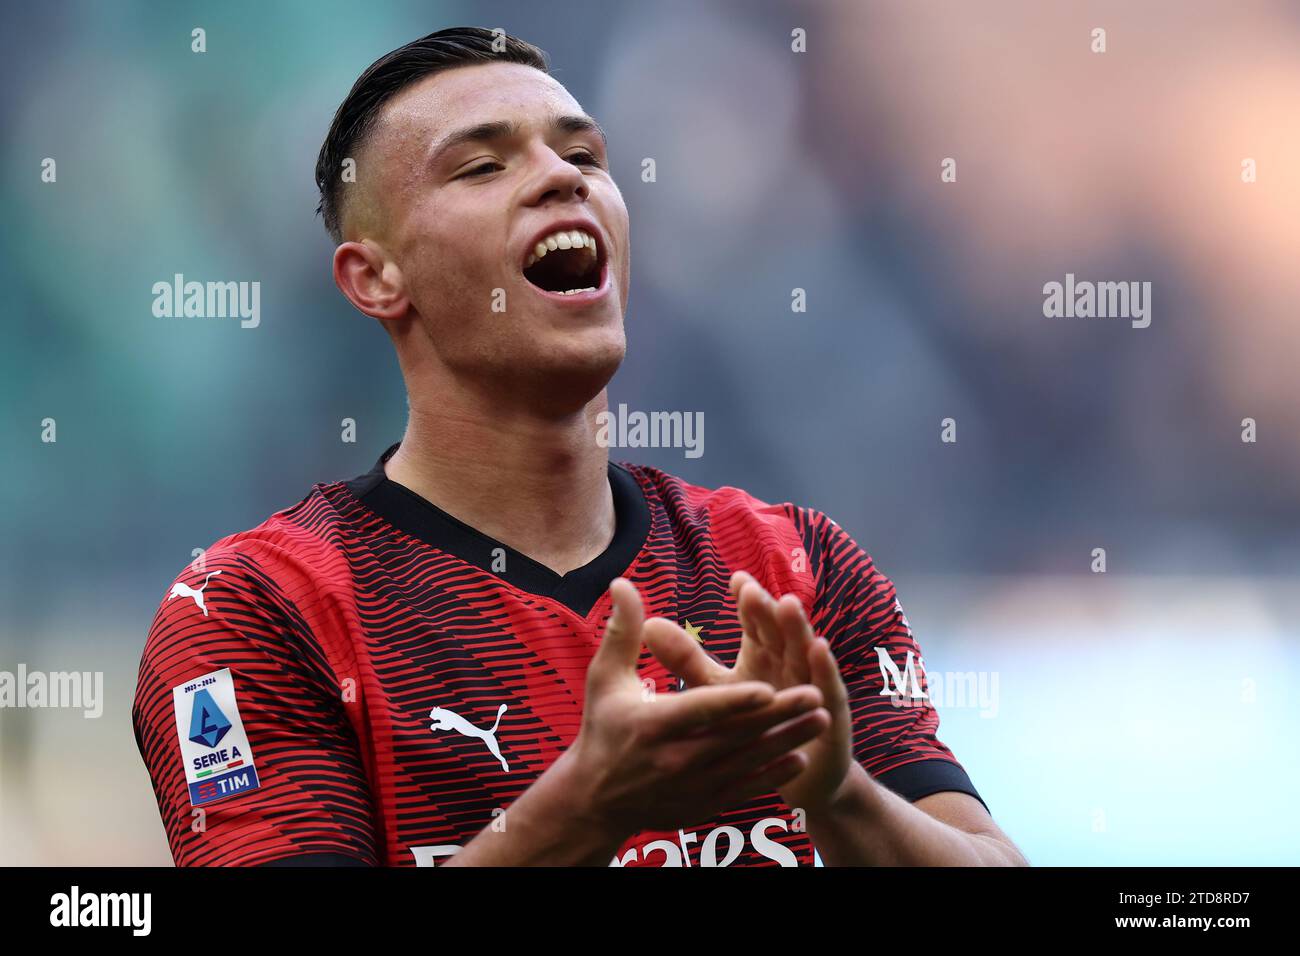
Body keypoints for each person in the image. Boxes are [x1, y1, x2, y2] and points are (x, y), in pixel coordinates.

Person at [132, 26, 1025, 867]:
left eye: (585, 156)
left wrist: (837, 792)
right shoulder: (253, 612)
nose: (562, 178)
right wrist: (586, 809)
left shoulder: (792, 567)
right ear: (375, 278)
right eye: (483, 165)